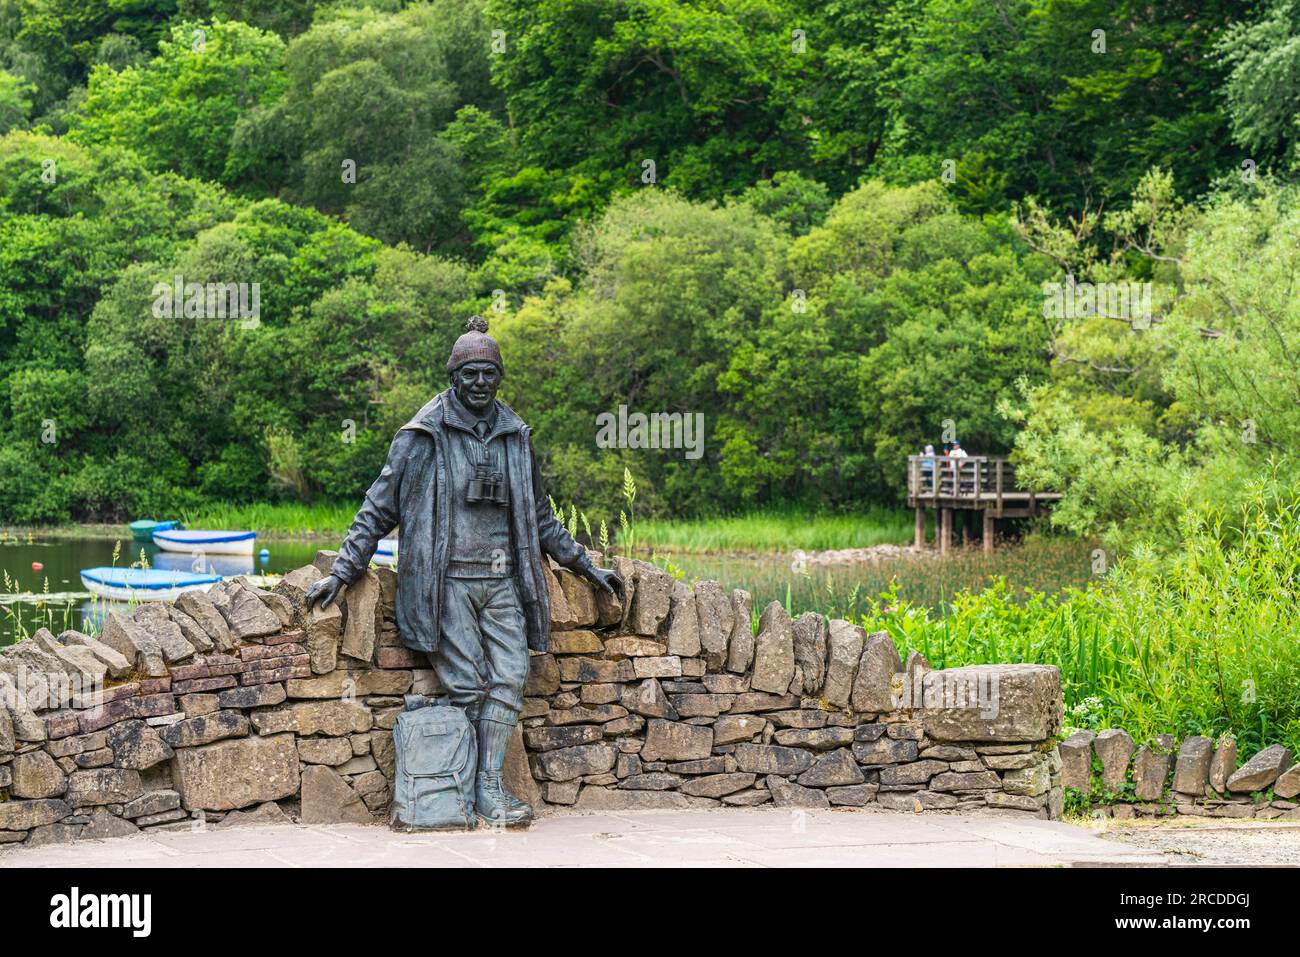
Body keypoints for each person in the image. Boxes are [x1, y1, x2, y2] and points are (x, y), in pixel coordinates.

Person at [305, 316, 624, 828]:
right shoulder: (421, 434)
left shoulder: (515, 436)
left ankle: (486, 786)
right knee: (469, 685)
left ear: (500, 377)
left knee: (512, 677)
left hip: (502, 582)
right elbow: (378, 508)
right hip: (445, 582)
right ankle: (473, 790)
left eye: (488, 374)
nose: (479, 383)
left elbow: (541, 515)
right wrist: (344, 572)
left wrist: (587, 567)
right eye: (469, 373)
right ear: (454, 375)